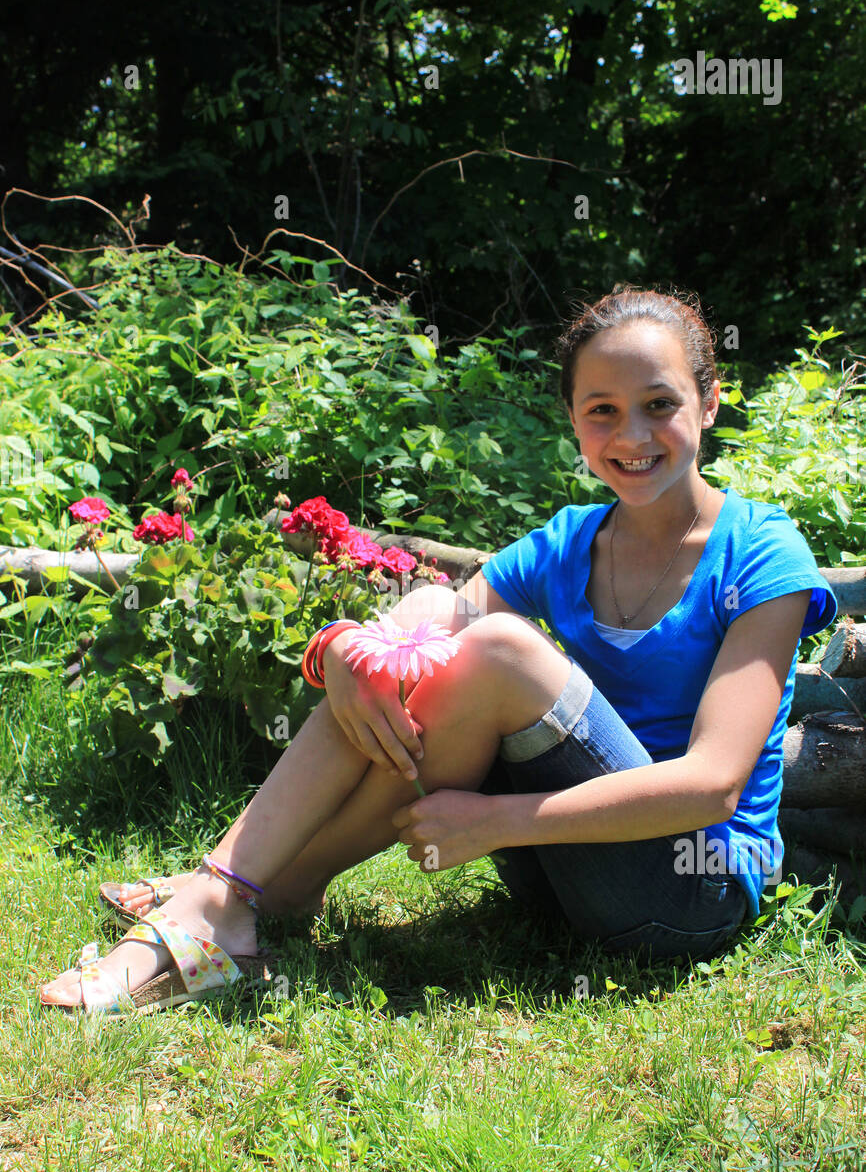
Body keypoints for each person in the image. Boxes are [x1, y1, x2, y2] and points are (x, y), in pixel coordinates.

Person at [40, 285, 837, 1014]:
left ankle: (235, 899)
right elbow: (436, 611)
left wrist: (496, 819)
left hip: (688, 892)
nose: (631, 435)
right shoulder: (572, 542)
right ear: (573, 421)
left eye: (659, 403)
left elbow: (710, 788)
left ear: (709, 402)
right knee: (413, 651)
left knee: (495, 650)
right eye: (601, 410)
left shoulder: (760, 552)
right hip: (560, 872)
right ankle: (249, 893)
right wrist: (346, 650)